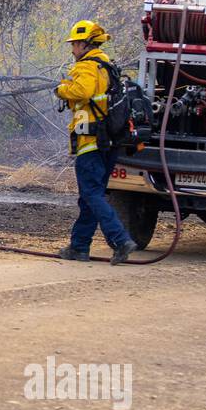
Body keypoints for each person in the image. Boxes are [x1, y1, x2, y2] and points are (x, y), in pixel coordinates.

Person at [54, 20, 136, 264]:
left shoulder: (88, 66)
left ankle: (121, 240)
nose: (72, 50)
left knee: (91, 193)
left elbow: (82, 92)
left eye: (74, 45)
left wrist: (61, 89)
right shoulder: (107, 65)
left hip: (90, 141)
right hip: (107, 142)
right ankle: (79, 247)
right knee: (91, 195)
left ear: (84, 44)